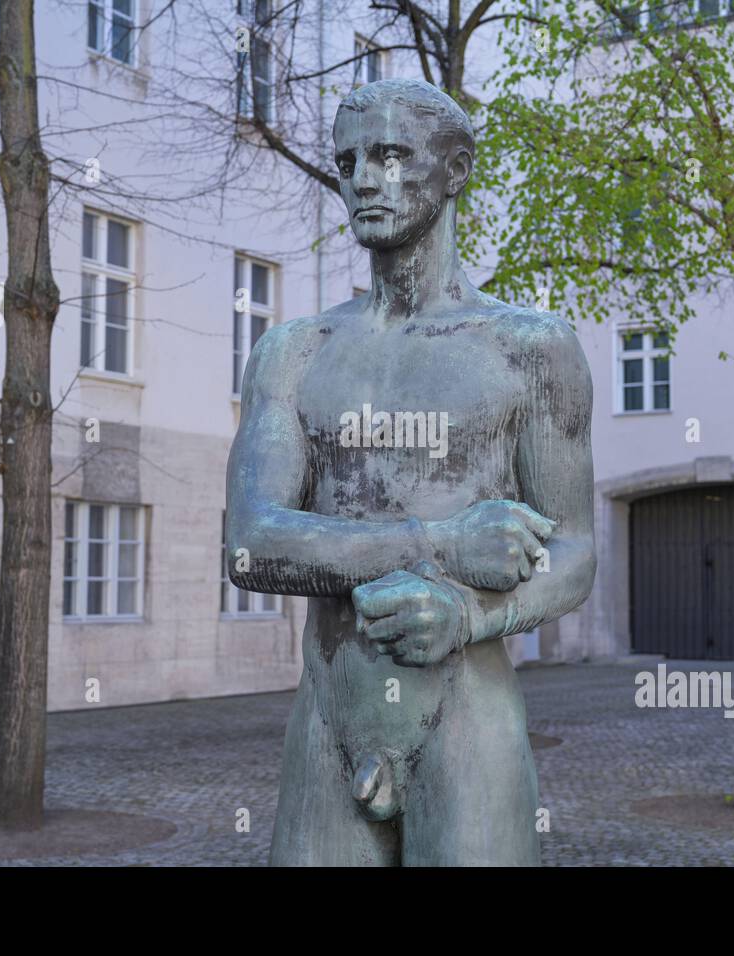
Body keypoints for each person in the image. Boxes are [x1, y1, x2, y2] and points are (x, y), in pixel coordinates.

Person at [226, 78, 595, 865]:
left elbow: (575, 551)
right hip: (330, 714)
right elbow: (252, 544)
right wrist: (438, 543)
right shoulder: (295, 354)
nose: (363, 178)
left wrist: (471, 619)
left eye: (391, 155)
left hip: (467, 716)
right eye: (348, 159)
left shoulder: (530, 348)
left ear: (455, 170)